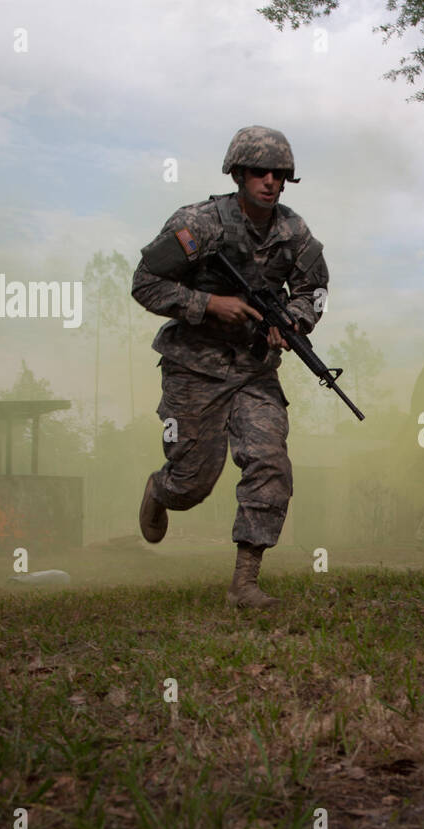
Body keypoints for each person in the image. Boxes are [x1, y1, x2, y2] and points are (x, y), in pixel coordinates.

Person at [131, 126, 329, 608]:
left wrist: (294, 323)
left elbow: (313, 290)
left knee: (270, 462)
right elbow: (145, 283)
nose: (270, 181)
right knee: (192, 482)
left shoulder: (294, 233)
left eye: (279, 174)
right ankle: (161, 490)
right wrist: (208, 304)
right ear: (238, 173)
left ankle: (244, 582)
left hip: (254, 371)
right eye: (259, 172)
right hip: (192, 369)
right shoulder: (198, 223)